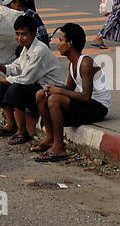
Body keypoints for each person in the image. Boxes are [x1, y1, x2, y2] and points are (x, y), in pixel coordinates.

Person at [34, 23, 111, 162]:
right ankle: (50, 138)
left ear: (70, 43)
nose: (58, 44)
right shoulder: (72, 64)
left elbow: (86, 97)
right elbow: (69, 88)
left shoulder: (86, 63)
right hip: (86, 105)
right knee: (41, 95)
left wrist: (58, 91)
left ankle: (59, 147)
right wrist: (53, 88)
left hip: (98, 107)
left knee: (54, 99)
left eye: (61, 40)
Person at [0, 13, 63, 145]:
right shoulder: (27, 48)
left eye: (24, 34)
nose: (19, 38)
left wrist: (0, 80)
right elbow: (17, 67)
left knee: (15, 89)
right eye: (17, 34)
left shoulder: (39, 50)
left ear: (33, 34)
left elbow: (26, 79)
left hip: (48, 90)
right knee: (3, 86)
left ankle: (22, 132)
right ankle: (11, 125)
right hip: (36, 86)